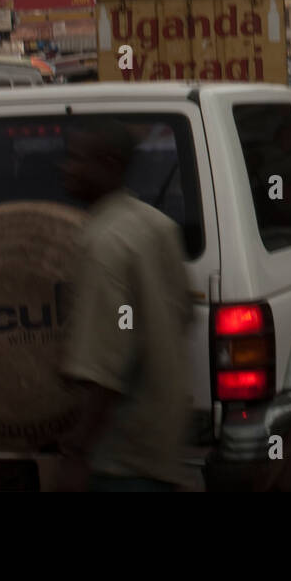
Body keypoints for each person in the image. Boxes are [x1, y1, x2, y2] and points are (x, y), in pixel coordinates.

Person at [58, 120, 192, 491]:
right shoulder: (157, 226)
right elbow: (181, 313)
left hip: (118, 461)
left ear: (111, 163)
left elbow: (104, 370)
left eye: (77, 159)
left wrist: (76, 453)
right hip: (161, 447)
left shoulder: (102, 244)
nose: (65, 168)